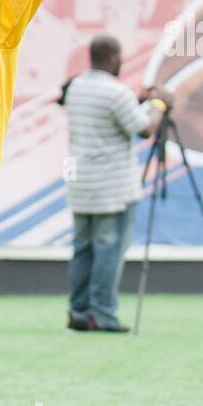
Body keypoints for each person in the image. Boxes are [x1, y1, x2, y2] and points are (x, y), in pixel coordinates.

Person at [62, 35, 166, 332]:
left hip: (80, 184)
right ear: (111, 58)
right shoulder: (117, 92)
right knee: (109, 251)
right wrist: (158, 103)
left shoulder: (76, 87)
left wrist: (137, 101)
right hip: (112, 189)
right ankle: (103, 314)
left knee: (83, 249)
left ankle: (78, 312)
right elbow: (146, 128)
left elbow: (107, 114)